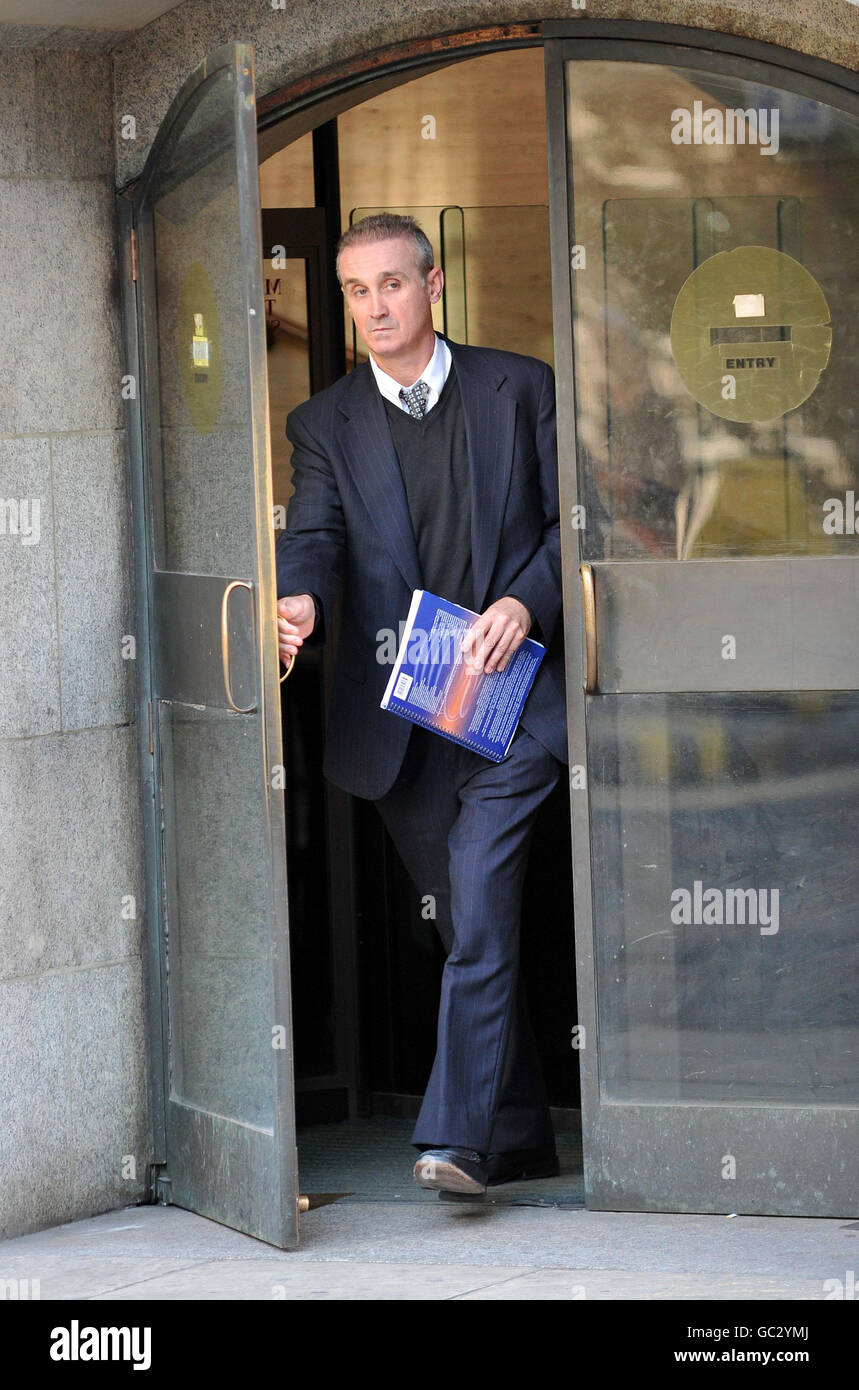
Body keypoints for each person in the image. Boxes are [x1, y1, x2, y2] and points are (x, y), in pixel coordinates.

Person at [275, 212, 568, 1197]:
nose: (373, 307)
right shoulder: (323, 423)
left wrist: (525, 601)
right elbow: (313, 535)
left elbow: (579, 523)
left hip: (515, 699)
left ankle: (455, 1140)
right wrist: (299, 599)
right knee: (466, 928)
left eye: (391, 285)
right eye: (356, 291)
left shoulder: (518, 386)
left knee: (478, 904)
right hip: (405, 716)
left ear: (434, 284)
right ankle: (519, 1130)